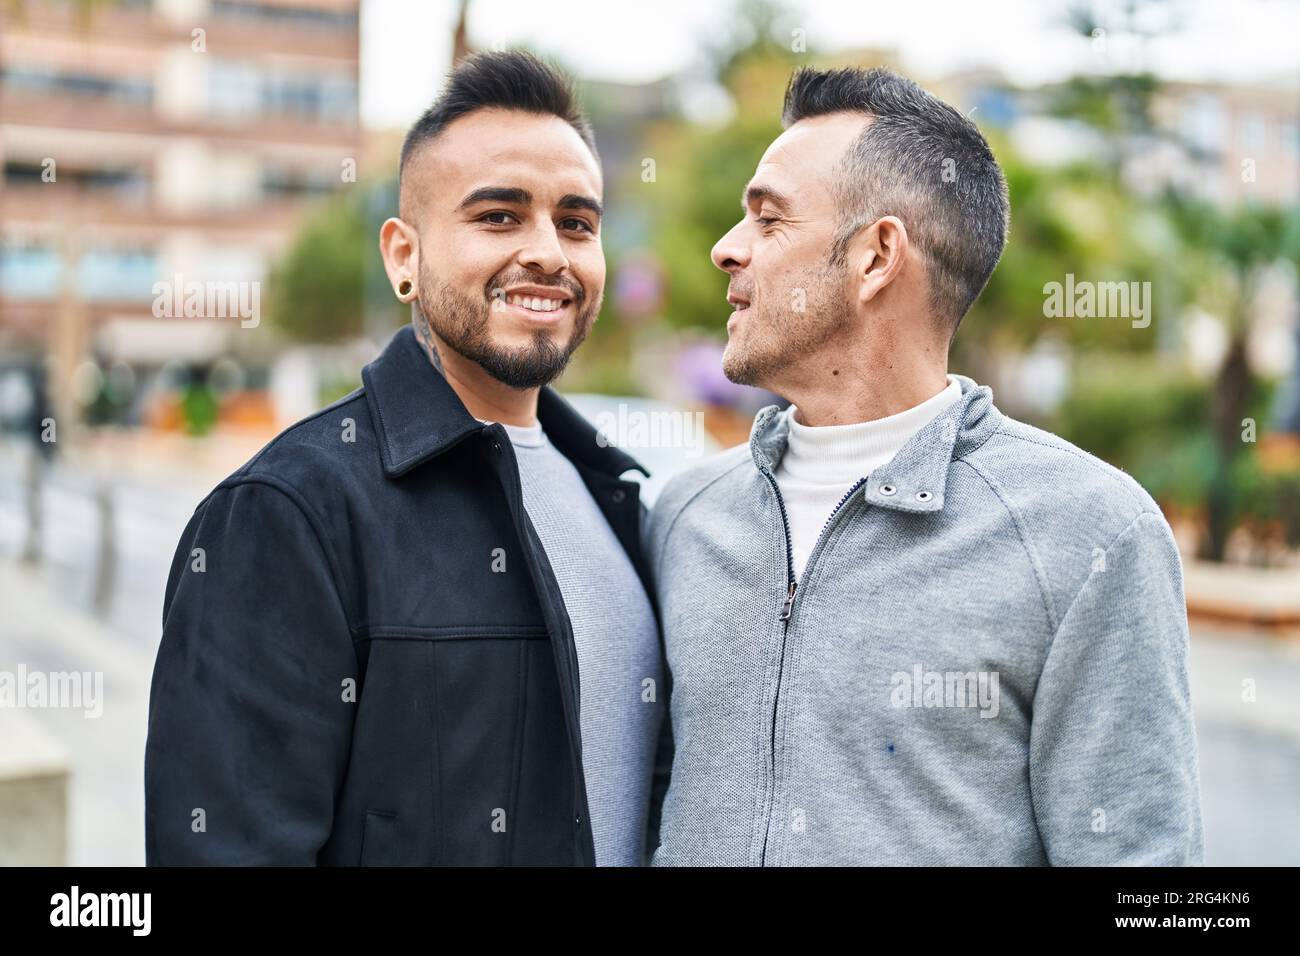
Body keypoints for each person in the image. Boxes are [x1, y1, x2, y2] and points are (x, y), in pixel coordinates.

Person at [645, 66, 1203, 866]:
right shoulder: (684, 515)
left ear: (876, 257)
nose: (725, 250)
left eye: (768, 220)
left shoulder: (1090, 533)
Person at [146, 51, 665, 866]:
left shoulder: (621, 497)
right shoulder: (288, 512)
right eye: (499, 216)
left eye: (577, 222)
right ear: (402, 257)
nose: (549, 253)